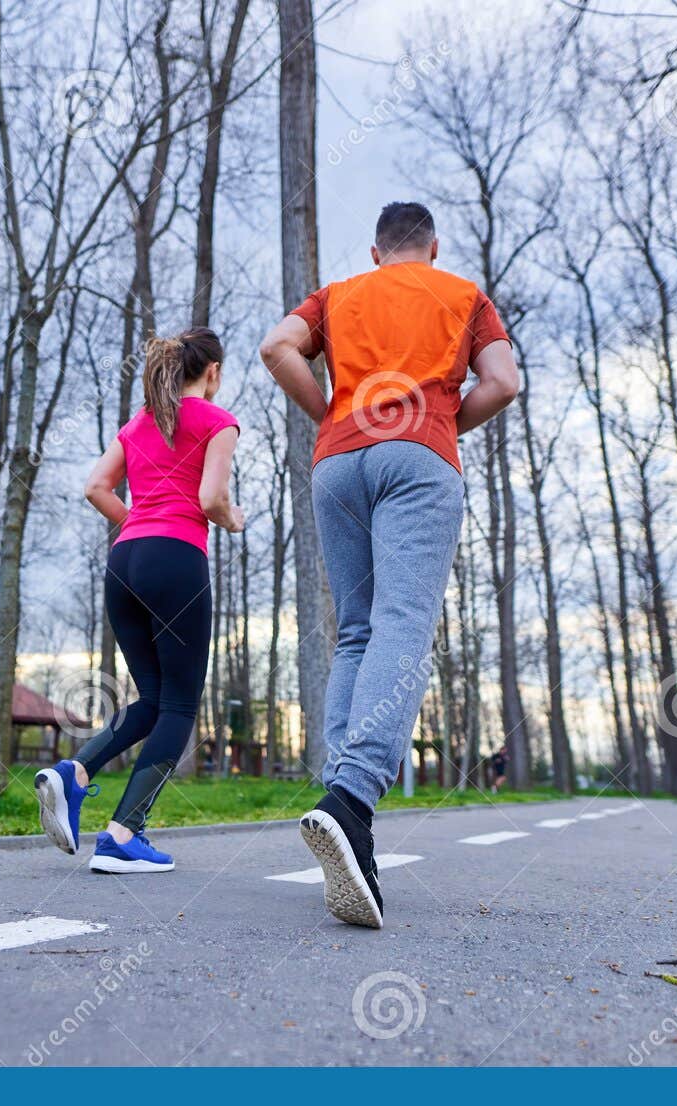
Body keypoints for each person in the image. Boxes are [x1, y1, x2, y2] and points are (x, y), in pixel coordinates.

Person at [260, 202, 520, 928]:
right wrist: (436, 425)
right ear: (432, 248)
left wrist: (328, 414)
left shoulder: (340, 294)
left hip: (337, 460)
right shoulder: (463, 295)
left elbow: (277, 347)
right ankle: (352, 797)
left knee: (356, 631)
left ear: (377, 252)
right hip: (419, 455)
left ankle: (343, 810)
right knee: (403, 623)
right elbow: (502, 383)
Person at [34, 327, 243, 874]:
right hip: (175, 560)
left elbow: (96, 488)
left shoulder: (137, 424)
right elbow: (210, 498)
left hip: (124, 561)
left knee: (152, 699)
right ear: (213, 372)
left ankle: (73, 773)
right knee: (178, 706)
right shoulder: (219, 422)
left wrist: (142, 526)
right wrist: (233, 519)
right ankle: (124, 834)